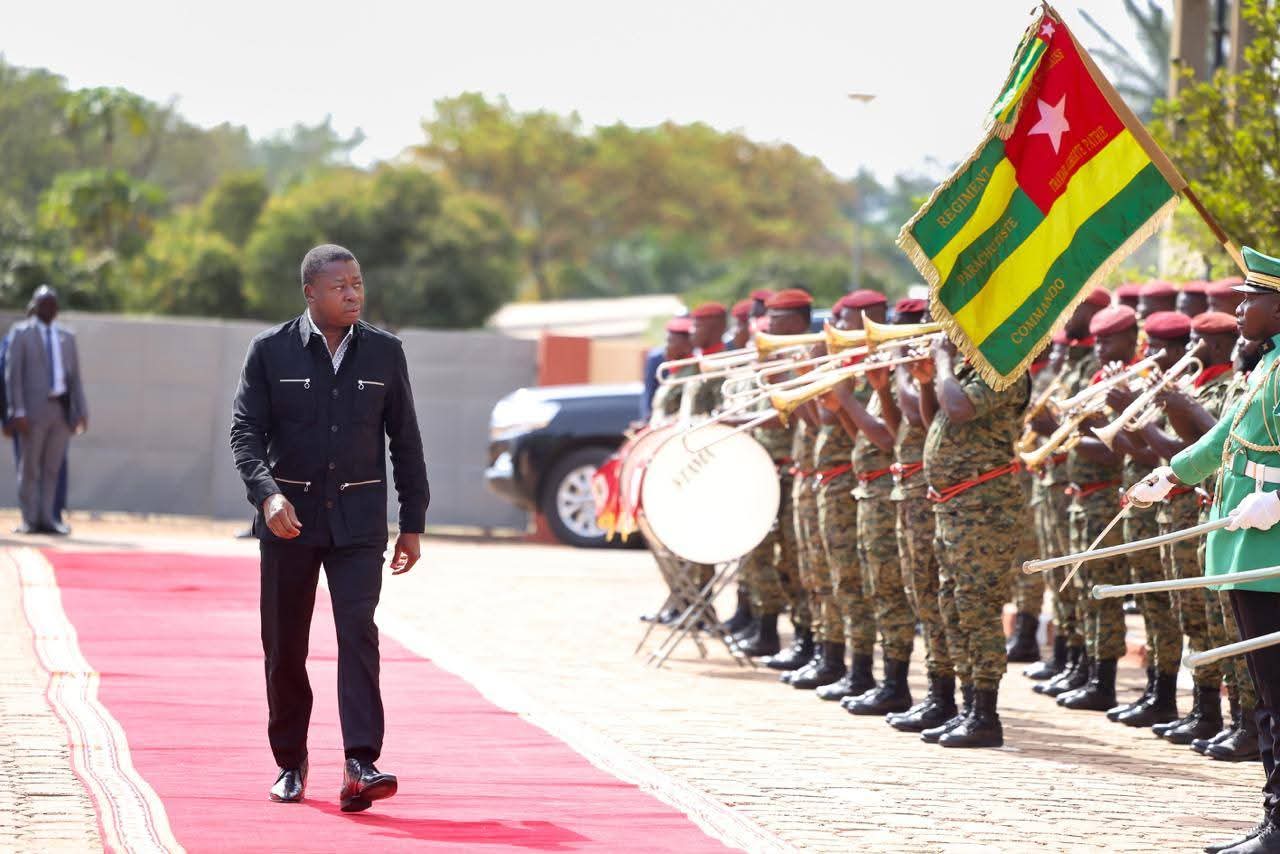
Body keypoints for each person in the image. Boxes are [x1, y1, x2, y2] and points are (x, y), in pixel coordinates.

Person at [230, 243, 428, 812]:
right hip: (289, 524)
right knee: (285, 646)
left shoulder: (386, 353)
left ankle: (360, 762)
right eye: (339, 285)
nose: (352, 294)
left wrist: (411, 521)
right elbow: (245, 435)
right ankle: (290, 761)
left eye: (358, 283)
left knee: (358, 633)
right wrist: (267, 497)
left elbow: (405, 439)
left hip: (359, 523)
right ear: (310, 293)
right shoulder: (268, 352)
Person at [1130, 247, 1280, 854]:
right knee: (1269, 694)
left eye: (1252, 299)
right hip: (1247, 546)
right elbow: (1227, 434)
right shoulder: (1267, 365)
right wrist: (1174, 474)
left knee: (1276, 694)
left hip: (1271, 549)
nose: (1239, 309)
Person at [914, 335, 1031, 748]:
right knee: (953, 603)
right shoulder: (971, 370)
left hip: (984, 508)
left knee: (977, 607)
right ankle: (967, 707)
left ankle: (985, 714)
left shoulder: (1007, 368)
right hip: (956, 507)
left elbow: (960, 409)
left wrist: (944, 362)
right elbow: (938, 421)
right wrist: (929, 382)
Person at [830, 289, 918, 716]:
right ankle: (871, 675)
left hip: (888, 493)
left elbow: (889, 440)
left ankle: (894, 684)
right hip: (870, 491)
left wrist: (846, 398)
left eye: (851, 323)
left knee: (889, 592)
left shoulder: (898, 372)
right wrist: (840, 401)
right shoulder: (877, 372)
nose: (847, 331)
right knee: (868, 588)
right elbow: (862, 441)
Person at [4, 285, 88, 535]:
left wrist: (81, 410)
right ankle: (29, 519)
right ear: (34, 306)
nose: (49, 308)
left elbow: (75, 379)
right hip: (32, 411)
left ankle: (48, 518)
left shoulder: (67, 337)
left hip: (60, 411)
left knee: (53, 468)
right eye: (43, 303)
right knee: (30, 467)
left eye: (52, 303)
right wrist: (17, 410)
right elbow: (13, 376)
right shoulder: (21, 334)